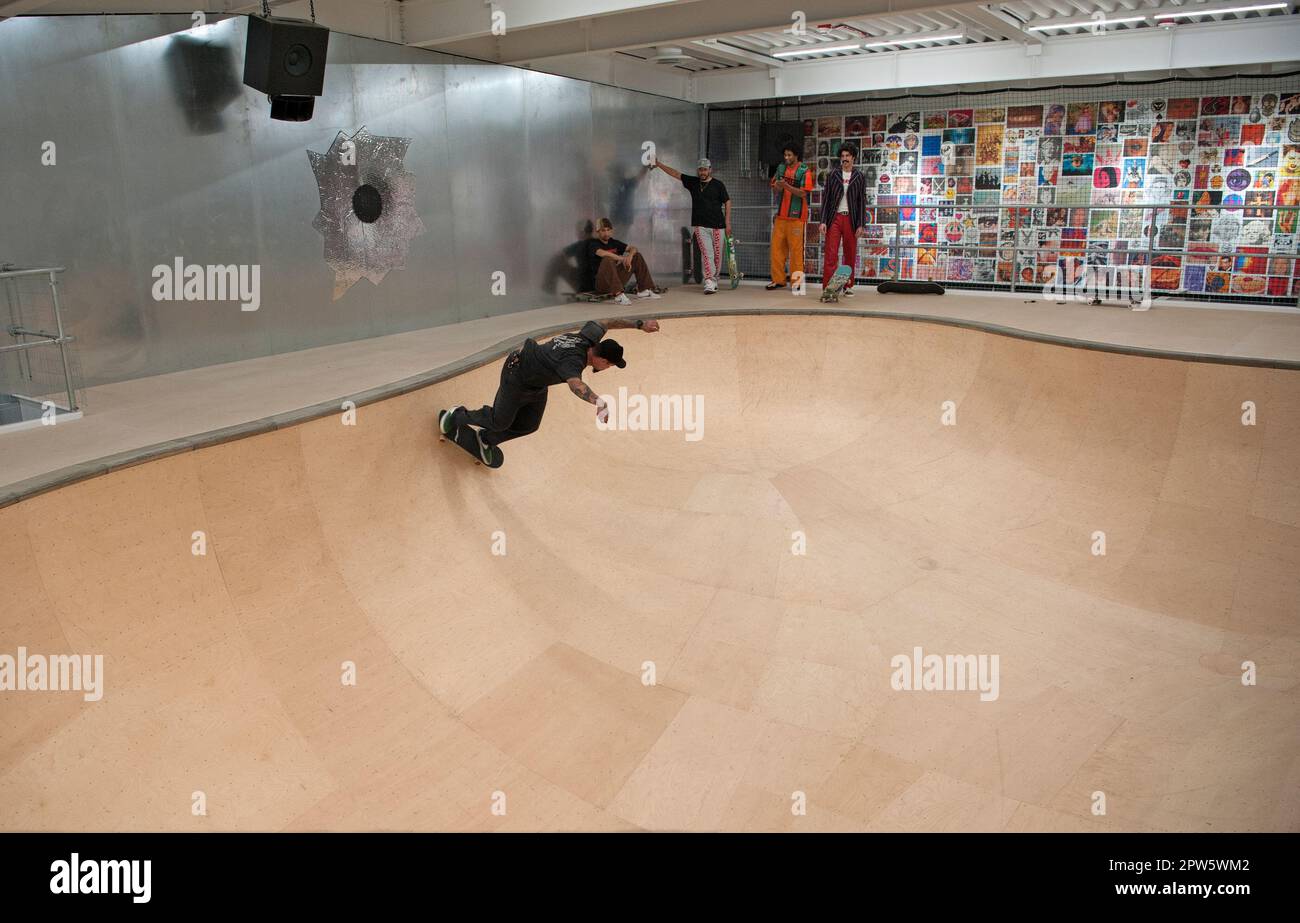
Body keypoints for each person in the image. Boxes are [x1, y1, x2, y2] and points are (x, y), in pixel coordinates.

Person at [439, 317, 660, 464]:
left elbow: (605, 321)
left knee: (529, 425)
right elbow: (576, 385)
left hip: (537, 383)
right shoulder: (572, 362)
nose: (607, 368)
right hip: (517, 373)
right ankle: (457, 414)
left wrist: (639, 324)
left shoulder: (589, 338)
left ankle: (485, 439)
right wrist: (599, 402)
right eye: (609, 365)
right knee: (500, 421)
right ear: (600, 358)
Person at [651, 157, 731, 294]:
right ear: (698, 171)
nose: (703, 172)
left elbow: (727, 202)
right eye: (700, 170)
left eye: (705, 169)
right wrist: (659, 164)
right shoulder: (693, 182)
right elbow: (675, 174)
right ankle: (709, 281)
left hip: (718, 225)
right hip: (700, 226)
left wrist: (728, 222)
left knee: (718, 255)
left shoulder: (718, 185)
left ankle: (714, 278)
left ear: (710, 170)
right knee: (707, 254)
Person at [819, 144, 867, 297]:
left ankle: (847, 285)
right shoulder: (833, 175)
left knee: (850, 253)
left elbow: (862, 202)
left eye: (848, 156)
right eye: (843, 156)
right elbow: (826, 199)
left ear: (853, 157)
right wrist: (823, 221)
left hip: (851, 219)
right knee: (831, 253)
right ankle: (829, 287)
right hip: (834, 218)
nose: (845, 159)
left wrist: (861, 224)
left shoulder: (859, 176)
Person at [767, 140, 815, 290]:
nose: (786, 158)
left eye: (789, 155)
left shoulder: (804, 170)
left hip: (797, 218)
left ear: (796, 155)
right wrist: (777, 187)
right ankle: (778, 280)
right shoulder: (781, 168)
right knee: (776, 250)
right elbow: (774, 189)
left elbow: (803, 193)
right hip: (781, 217)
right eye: (785, 155)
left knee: (796, 251)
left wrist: (786, 185)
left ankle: (797, 283)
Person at [581, 218, 661, 305]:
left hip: (616, 281)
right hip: (601, 284)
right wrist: (622, 259)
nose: (606, 233)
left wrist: (629, 257)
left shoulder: (613, 242)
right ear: (598, 231)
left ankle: (644, 290)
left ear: (611, 231)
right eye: (603, 230)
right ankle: (618, 295)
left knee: (637, 256)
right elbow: (603, 253)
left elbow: (633, 248)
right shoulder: (593, 243)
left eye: (608, 230)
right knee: (608, 259)